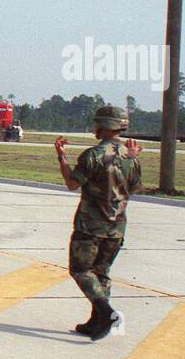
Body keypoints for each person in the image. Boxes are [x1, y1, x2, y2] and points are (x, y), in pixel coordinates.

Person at [54, 105, 143, 341]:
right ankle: (97, 322)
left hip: (91, 226)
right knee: (101, 272)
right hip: (117, 227)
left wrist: (62, 157)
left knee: (81, 270)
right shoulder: (132, 156)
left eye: (97, 124)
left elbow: (72, 183)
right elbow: (134, 188)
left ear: (104, 127)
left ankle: (106, 313)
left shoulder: (92, 155)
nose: (95, 128)